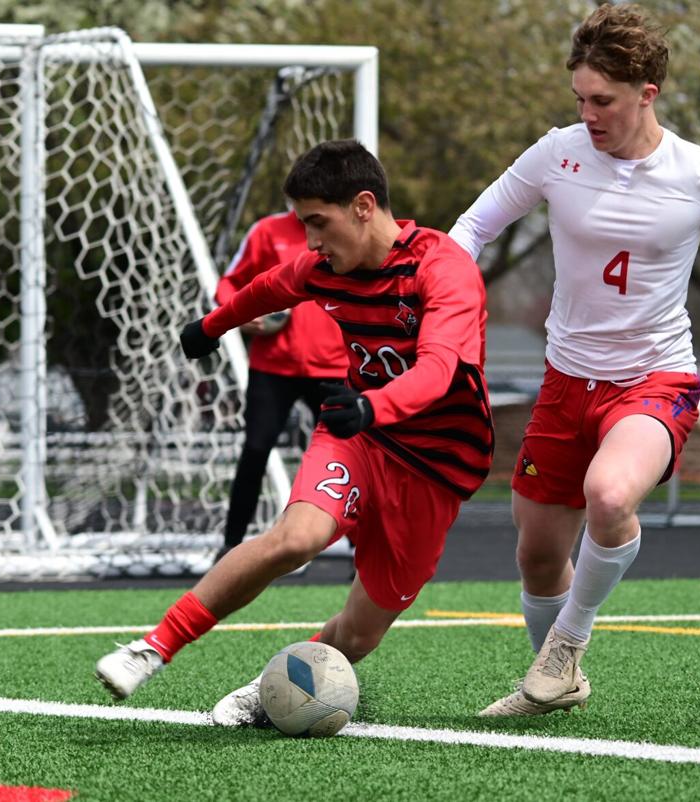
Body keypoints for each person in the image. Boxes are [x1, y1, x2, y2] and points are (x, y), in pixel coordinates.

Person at [448, 2, 700, 717]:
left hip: (655, 377)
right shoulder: (556, 153)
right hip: (565, 380)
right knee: (538, 556)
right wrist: (443, 282)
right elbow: (474, 225)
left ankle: (569, 646)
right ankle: (559, 684)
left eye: (602, 100)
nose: (588, 112)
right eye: (579, 97)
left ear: (646, 94)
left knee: (609, 496)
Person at [95, 139, 494, 726]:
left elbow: (437, 371)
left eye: (318, 223)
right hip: (360, 437)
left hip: (436, 467)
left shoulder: (444, 269)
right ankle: (152, 647)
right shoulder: (326, 268)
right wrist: (212, 326)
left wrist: (373, 405)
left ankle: (269, 687)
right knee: (295, 539)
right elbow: (268, 286)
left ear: (363, 205)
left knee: (358, 634)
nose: (310, 241)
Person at [214, 209, 348, 562]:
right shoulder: (266, 230)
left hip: (335, 366)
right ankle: (230, 548)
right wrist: (240, 312)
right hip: (273, 368)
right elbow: (228, 283)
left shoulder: (347, 229)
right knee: (255, 450)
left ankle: (362, 552)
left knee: (356, 456)